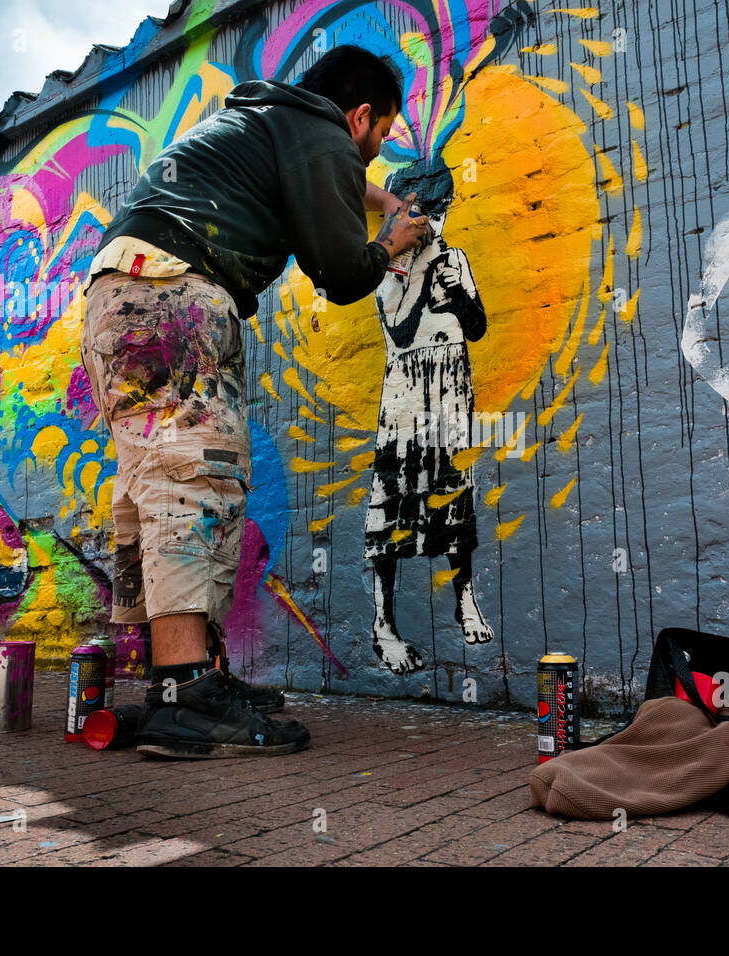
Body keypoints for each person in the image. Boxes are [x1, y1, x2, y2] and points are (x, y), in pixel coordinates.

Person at [79, 45, 430, 758]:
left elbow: (318, 176)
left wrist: (378, 196)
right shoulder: (323, 134)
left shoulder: (269, 120)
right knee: (190, 479)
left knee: (157, 483)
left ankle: (183, 682)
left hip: (123, 297)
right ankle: (183, 693)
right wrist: (392, 237)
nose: (379, 148)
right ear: (358, 115)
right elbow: (338, 269)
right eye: (383, 132)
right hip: (174, 297)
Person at [365, 165, 494, 675]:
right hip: (406, 394)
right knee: (393, 503)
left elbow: (478, 326)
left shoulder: (454, 257)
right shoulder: (389, 265)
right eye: (421, 211)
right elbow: (398, 332)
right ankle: (384, 624)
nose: (431, 223)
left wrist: (456, 295)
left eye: (438, 212)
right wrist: (424, 289)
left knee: (453, 493)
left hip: (451, 386)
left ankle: (465, 600)